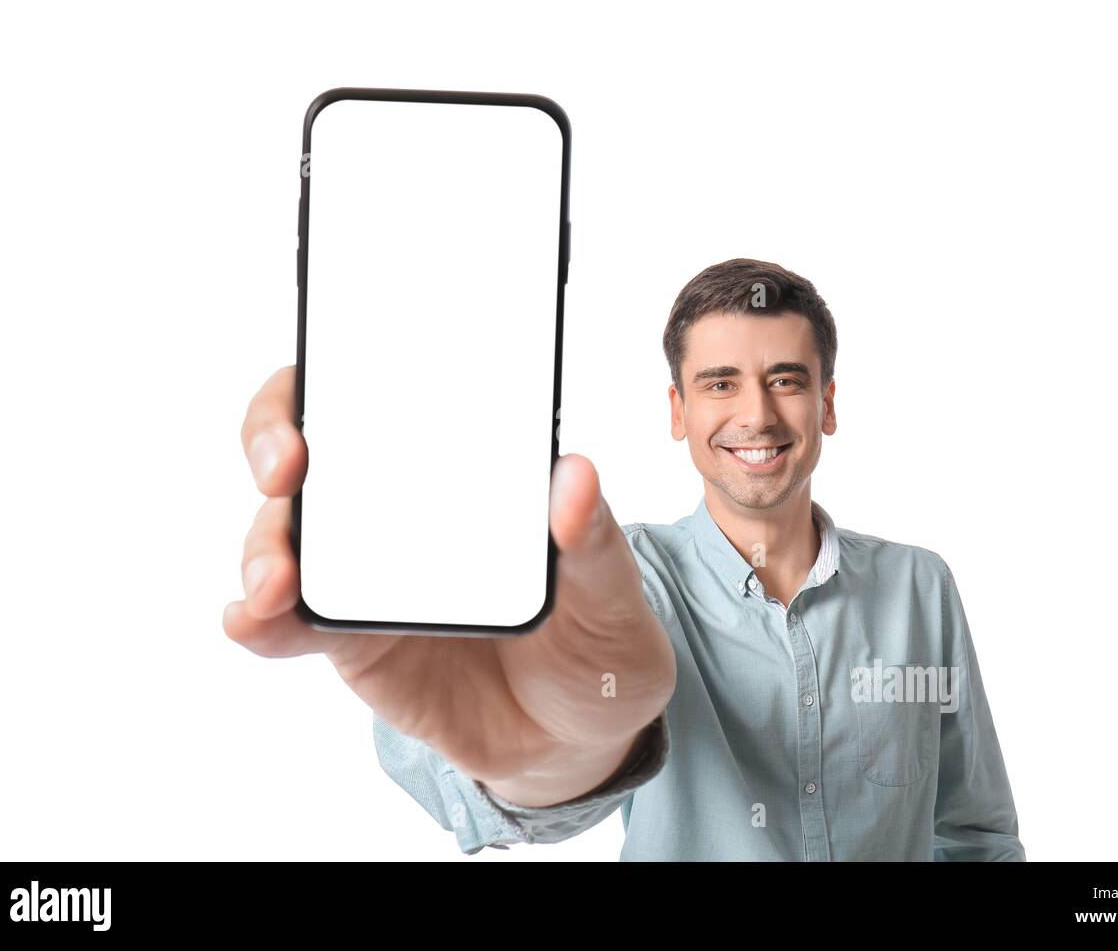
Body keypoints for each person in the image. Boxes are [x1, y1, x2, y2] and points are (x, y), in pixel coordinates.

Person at [224, 257, 1025, 860]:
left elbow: (976, 833)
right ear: (677, 412)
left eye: (785, 380)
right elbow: (494, 798)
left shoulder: (922, 587)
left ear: (828, 404)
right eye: (719, 384)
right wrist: (537, 759)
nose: (756, 413)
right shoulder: (623, 587)